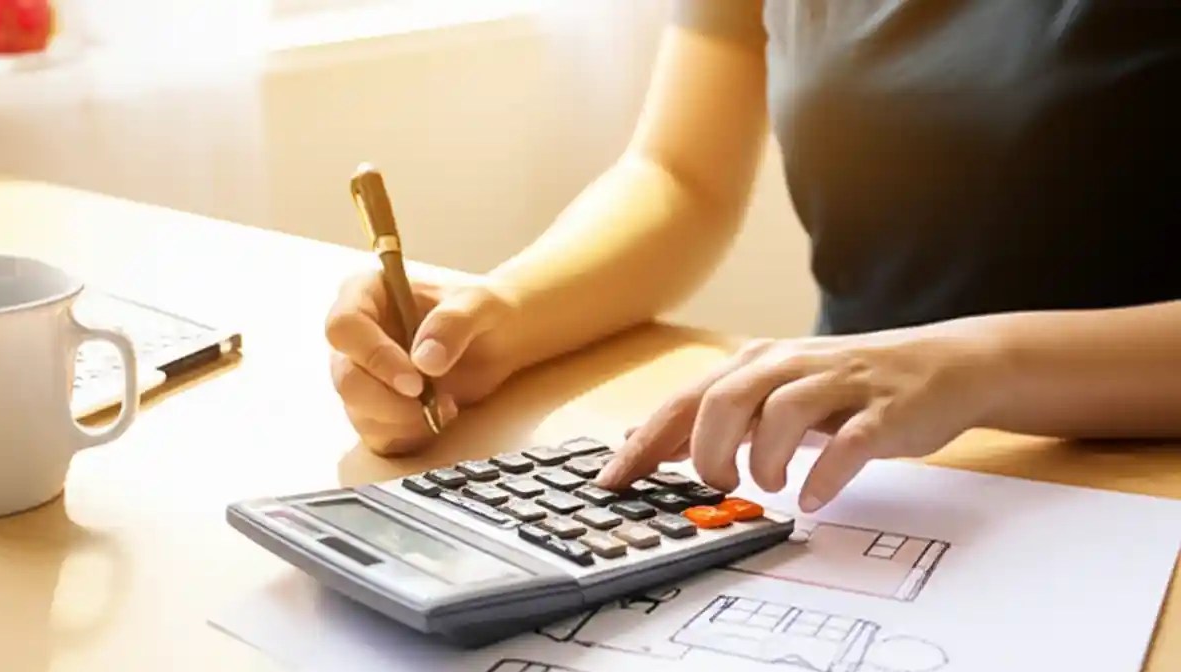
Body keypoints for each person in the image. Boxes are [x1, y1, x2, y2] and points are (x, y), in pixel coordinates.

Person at [325, 0, 1181, 513]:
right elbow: (680, 176)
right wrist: (500, 320)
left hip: (1136, 479)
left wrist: (981, 365)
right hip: (849, 465)